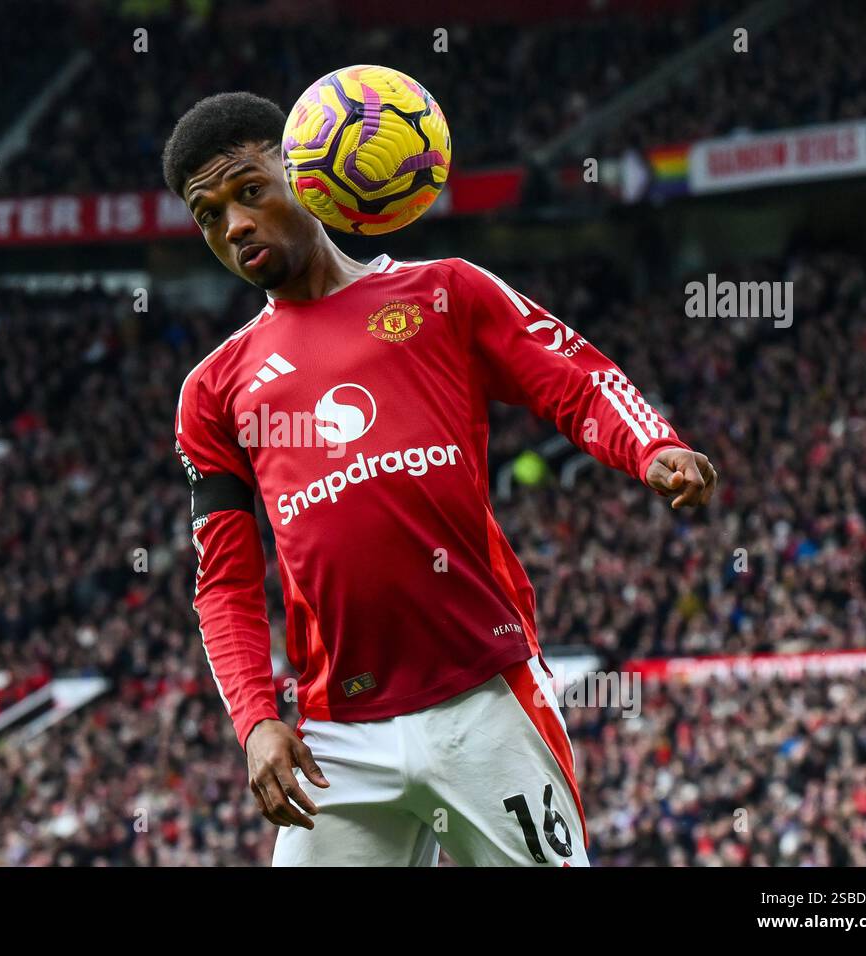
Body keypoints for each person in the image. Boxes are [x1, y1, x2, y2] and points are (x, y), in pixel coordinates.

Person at [162, 92, 717, 866]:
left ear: (309, 171)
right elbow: (222, 585)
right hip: (335, 737)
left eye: (249, 191)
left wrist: (649, 446)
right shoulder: (213, 389)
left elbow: (576, 380)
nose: (235, 226)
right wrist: (257, 721)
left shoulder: (443, 294)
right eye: (208, 215)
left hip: (484, 698)